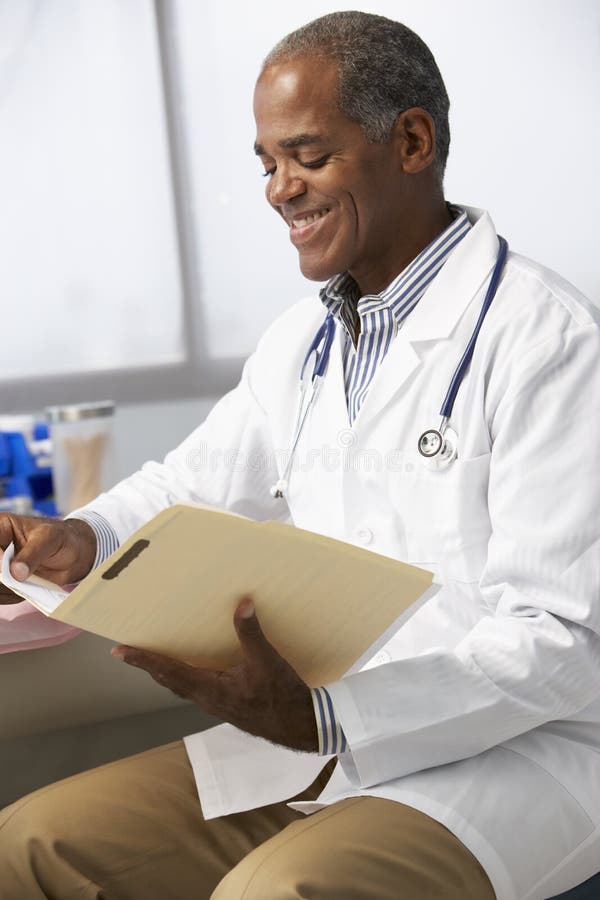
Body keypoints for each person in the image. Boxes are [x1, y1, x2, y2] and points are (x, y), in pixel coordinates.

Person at [1, 10, 599, 900]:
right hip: (316, 736)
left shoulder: (548, 341)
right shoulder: (301, 343)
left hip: (516, 754)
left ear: (412, 141)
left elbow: (564, 639)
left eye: (307, 156)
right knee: (30, 844)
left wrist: (331, 715)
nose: (280, 189)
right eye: (267, 164)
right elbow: (190, 485)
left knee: (276, 893)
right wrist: (81, 539)